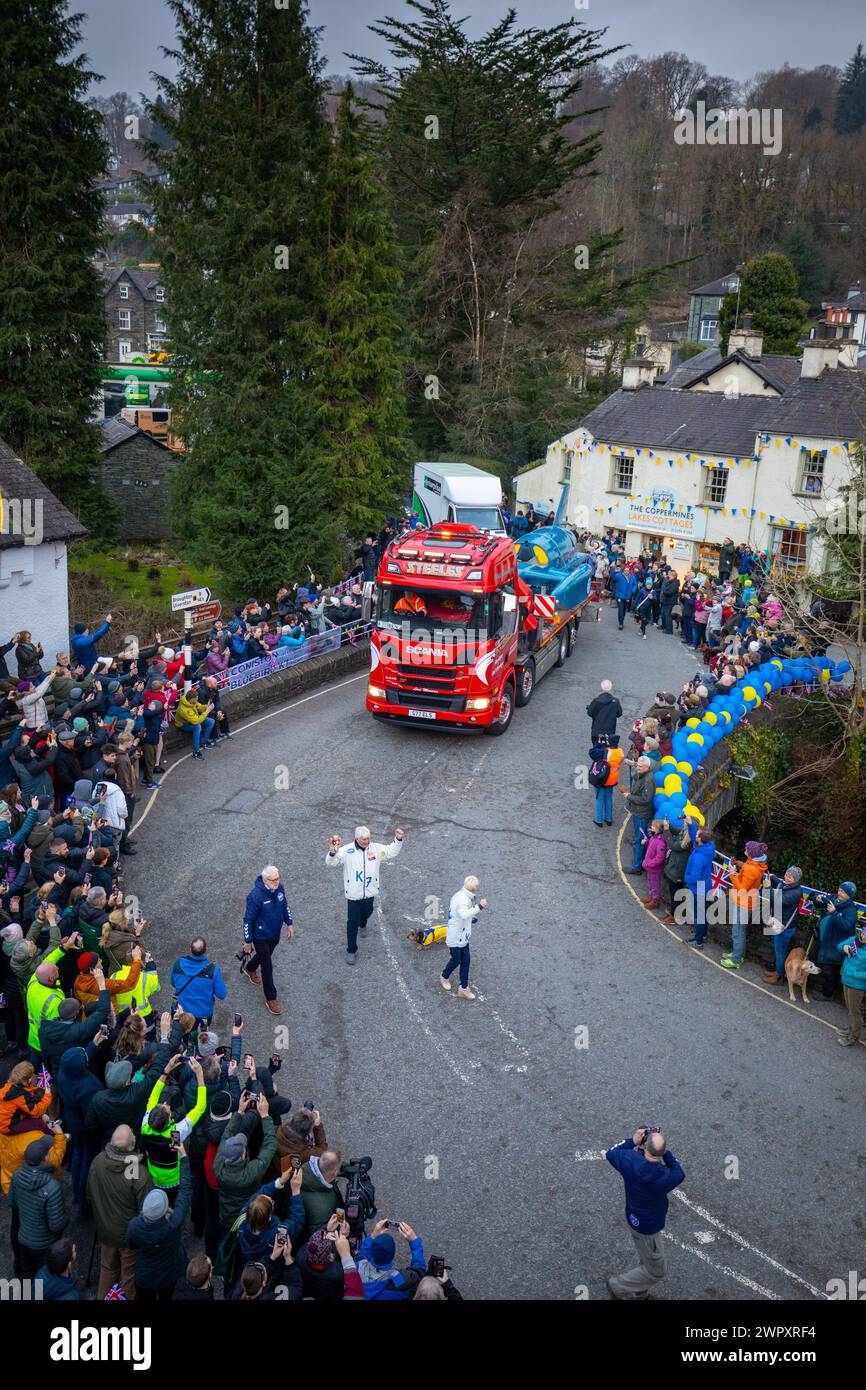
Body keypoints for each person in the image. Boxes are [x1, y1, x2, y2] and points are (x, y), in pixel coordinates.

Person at [605, 1126, 685, 1300]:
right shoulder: (665, 1177)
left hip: (633, 1216)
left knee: (646, 1260)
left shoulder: (629, 1160)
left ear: (644, 1146)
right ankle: (618, 1286)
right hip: (648, 1227)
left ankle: (641, 1294)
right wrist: (666, 1154)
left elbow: (611, 1152)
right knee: (656, 1271)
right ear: (661, 1152)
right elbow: (679, 1172)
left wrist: (633, 1141)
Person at [87, 1124, 153, 1300]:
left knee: (107, 1269)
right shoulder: (138, 1172)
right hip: (128, 1236)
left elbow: (89, 1194)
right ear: (132, 1145)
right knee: (129, 1275)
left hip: (105, 1229)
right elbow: (147, 1211)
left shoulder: (97, 1161)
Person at [325, 825, 405, 964]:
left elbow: (390, 852)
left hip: (369, 893)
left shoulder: (375, 848)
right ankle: (351, 950)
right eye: (364, 839)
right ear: (357, 838)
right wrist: (332, 853)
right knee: (352, 922)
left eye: (368, 838)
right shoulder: (347, 850)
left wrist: (398, 840)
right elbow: (331, 862)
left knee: (367, 912)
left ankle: (363, 924)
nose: (367, 841)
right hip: (353, 896)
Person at [126, 1156, 192, 1301]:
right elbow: (185, 1192)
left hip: (144, 1278)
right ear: (165, 1211)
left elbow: (131, 1245)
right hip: (169, 1275)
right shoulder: (173, 1224)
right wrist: (184, 1159)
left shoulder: (135, 1226)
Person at [10, 1134, 70, 1279]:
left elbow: (13, 1204)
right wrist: (66, 1217)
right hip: (44, 1245)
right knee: (43, 1281)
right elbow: (56, 1225)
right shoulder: (51, 1187)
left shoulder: (16, 1176)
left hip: (23, 1239)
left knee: (26, 1276)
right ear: (45, 1157)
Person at [242, 865, 294, 1014]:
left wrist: (289, 923)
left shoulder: (279, 889)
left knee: (264, 957)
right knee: (267, 966)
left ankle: (250, 968)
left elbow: (284, 906)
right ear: (265, 880)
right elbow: (248, 920)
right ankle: (271, 998)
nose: (277, 882)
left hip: (274, 934)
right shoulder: (255, 897)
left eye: (278, 878)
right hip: (261, 937)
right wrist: (248, 941)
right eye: (274, 880)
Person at [722, 840, 769, 970]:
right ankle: (738, 954)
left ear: (752, 853)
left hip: (743, 902)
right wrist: (737, 863)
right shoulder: (755, 864)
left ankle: (736, 959)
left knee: (738, 932)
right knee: (739, 930)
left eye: (747, 848)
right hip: (747, 902)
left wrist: (732, 873)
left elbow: (742, 888)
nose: (745, 849)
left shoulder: (751, 869)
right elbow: (746, 866)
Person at [439, 875, 487, 1001]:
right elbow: (463, 913)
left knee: (466, 960)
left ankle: (463, 988)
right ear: (472, 887)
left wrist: (472, 919)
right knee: (456, 960)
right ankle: (444, 976)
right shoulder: (463, 899)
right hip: (456, 936)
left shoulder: (462, 895)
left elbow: (462, 915)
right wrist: (479, 907)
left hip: (462, 935)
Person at [356, 1219, 426, 1299]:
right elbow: (419, 1271)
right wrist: (414, 1241)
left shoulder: (355, 1268)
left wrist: (373, 1235)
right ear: (393, 1255)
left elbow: (361, 1255)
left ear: (372, 1252)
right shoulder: (401, 1281)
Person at [170, 937, 228, 1024]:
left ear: (190, 949)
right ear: (205, 951)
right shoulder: (213, 970)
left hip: (182, 1013)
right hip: (203, 1015)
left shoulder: (177, 965)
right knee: (201, 1036)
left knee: (181, 1034)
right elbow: (222, 994)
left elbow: (173, 983)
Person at [816, 882, 859, 999]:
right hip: (825, 940)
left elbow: (845, 926)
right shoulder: (834, 899)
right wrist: (818, 900)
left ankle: (828, 994)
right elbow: (819, 904)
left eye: (843, 892)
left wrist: (835, 913)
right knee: (823, 966)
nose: (839, 893)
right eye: (839, 890)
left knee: (830, 970)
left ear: (850, 896)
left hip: (836, 944)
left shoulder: (851, 910)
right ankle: (824, 988)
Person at [763, 866, 804, 986]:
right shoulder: (788, 885)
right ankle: (777, 971)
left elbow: (778, 900)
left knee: (780, 951)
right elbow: (781, 883)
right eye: (786, 874)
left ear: (796, 880)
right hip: (779, 922)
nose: (786, 877)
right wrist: (773, 877)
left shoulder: (795, 893)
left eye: (790, 877)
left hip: (784, 927)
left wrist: (768, 886)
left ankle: (779, 977)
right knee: (778, 950)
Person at [682, 819, 716, 948]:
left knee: (699, 916)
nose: (695, 836)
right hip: (705, 884)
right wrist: (691, 824)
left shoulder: (698, 857)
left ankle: (698, 941)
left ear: (700, 839)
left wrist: (686, 878)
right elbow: (696, 835)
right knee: (704, 913)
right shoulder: (709, 847)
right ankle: (703, 934)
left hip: (698, 888)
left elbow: (694, 877)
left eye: (697, 835)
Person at [621, 755, 655, 872]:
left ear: (647, 767)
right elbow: (635, 776)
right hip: (638, 812)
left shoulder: (648, 780)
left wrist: (630, 796)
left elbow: (646, 799)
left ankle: (636, 866)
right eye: (637, 766)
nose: (637, 768)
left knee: (639, 839)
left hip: (641, 813)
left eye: (640, 767)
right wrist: (636, 768)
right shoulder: (643, 775)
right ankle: (639, 860)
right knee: (638, 837)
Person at [837, 919, 866, 1046]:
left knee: (855, 1011)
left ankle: (853, 1037)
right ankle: (849, 1029)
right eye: (864, 933)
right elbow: (838, 946)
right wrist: (844, 947)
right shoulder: (854, 940)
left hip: (857, 985)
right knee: (850, 1009)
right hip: (846, 979)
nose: (864, 936)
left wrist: (853, 973)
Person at [590, 734, 623, 828]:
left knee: (599, 799)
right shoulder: (620, 752)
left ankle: (598, 820)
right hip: (612, 779)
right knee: (608, 798)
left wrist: (599, 744)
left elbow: (592, 753)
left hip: (602, 779)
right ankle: (609, 819)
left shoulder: (605, 751)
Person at [638, 821, 668, 911]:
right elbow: (650, 846)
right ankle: (651, 896)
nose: (651, 827)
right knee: (650, 882)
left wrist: (650, 863)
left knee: (655, 884)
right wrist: (646, 843)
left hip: (654, 868)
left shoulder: (661, 842)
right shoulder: (653, 838)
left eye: (653, 826)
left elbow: (660, 857)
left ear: (658, 829)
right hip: (650, 867)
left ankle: (655, 900)